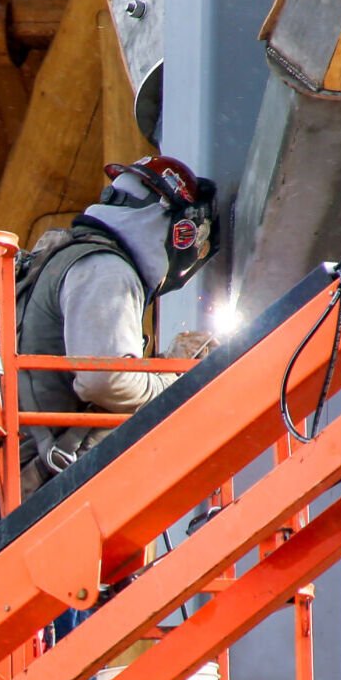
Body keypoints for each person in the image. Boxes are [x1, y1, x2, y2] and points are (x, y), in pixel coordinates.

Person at [15, 153, 220, 492]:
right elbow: (106, 383)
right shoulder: (106, 270)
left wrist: (163, 368)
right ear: (177, 230)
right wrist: (177, 379)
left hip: (33, 472)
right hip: (59, 477)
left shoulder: (64, 257)